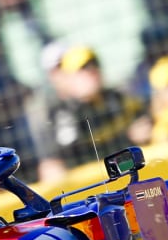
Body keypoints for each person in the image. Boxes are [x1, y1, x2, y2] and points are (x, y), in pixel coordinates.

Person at [39, 45, 147, 174]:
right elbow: (55, 162)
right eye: (82, 69)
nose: (91, 72)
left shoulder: (119, 99)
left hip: (127, 170)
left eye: (93, 65)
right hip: (90, 180)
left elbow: (145, 125)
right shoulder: (64, 113)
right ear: (69, 79)